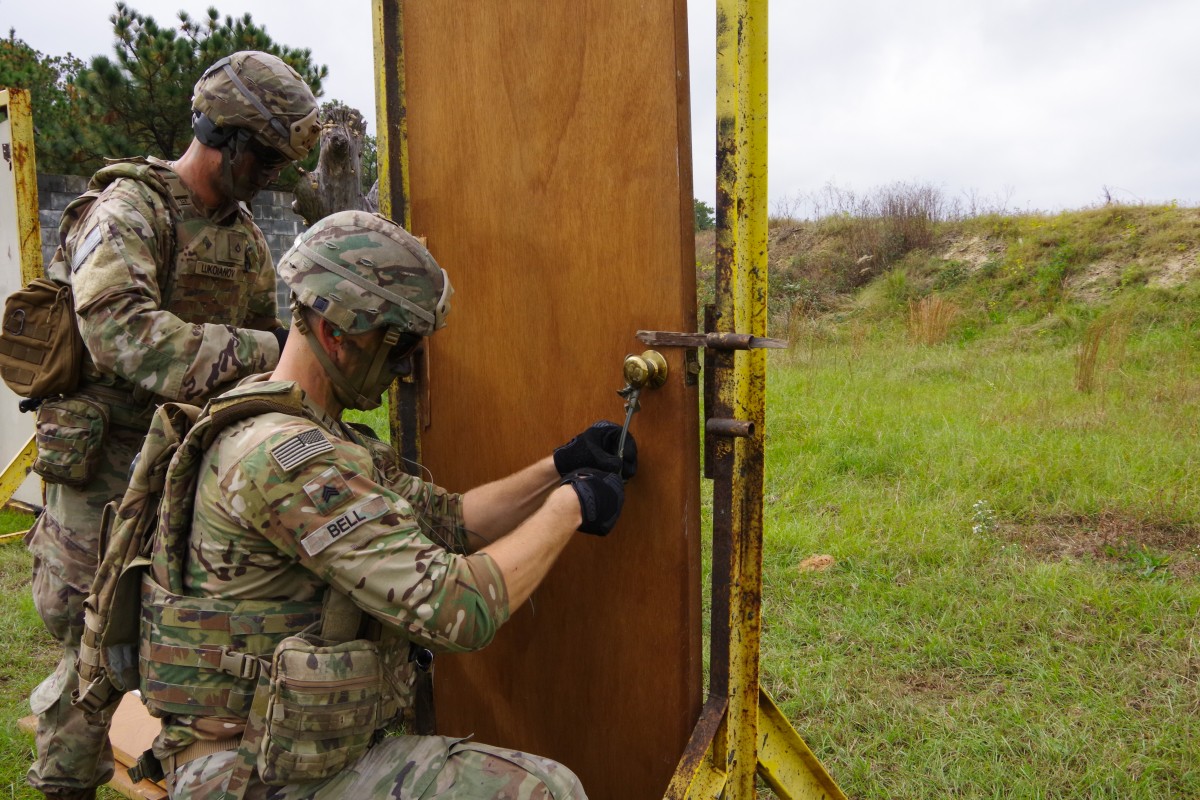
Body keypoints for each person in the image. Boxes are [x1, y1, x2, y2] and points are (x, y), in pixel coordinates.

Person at [138, 210, 635, 799]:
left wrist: (560, 467)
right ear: (335, 334)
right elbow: (458, 609)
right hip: (250, 776)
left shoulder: (314, 431)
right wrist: (570, 507)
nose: (406, 370)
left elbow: (452, 521)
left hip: (291, 750)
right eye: (399, 347)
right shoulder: (286, 459)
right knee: (543, 792)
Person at [26, 51, 321, 800]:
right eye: (266, 158)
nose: (271, 176)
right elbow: (120, 334)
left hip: (188, 472)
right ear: (226, 136)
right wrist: (264, 349)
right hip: (108, 470)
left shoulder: (245, 237)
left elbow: (272, 362)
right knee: (92, 656)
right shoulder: (130, 210)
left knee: (190, 643)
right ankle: (65, 787)